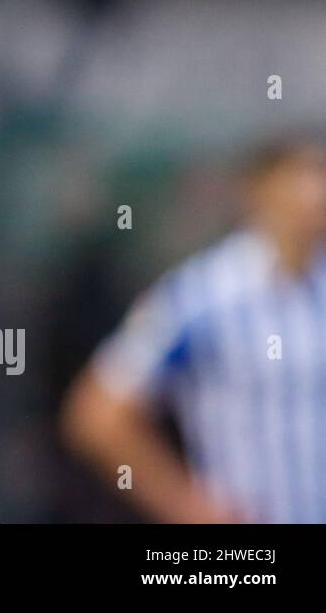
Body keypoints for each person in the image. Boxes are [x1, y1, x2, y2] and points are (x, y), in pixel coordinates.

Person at [62, 134, 326, 522]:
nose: (314, 195)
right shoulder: (203, 295)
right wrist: (187, 505)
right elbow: (98, 412)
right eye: (301, 177)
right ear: (259, 190)